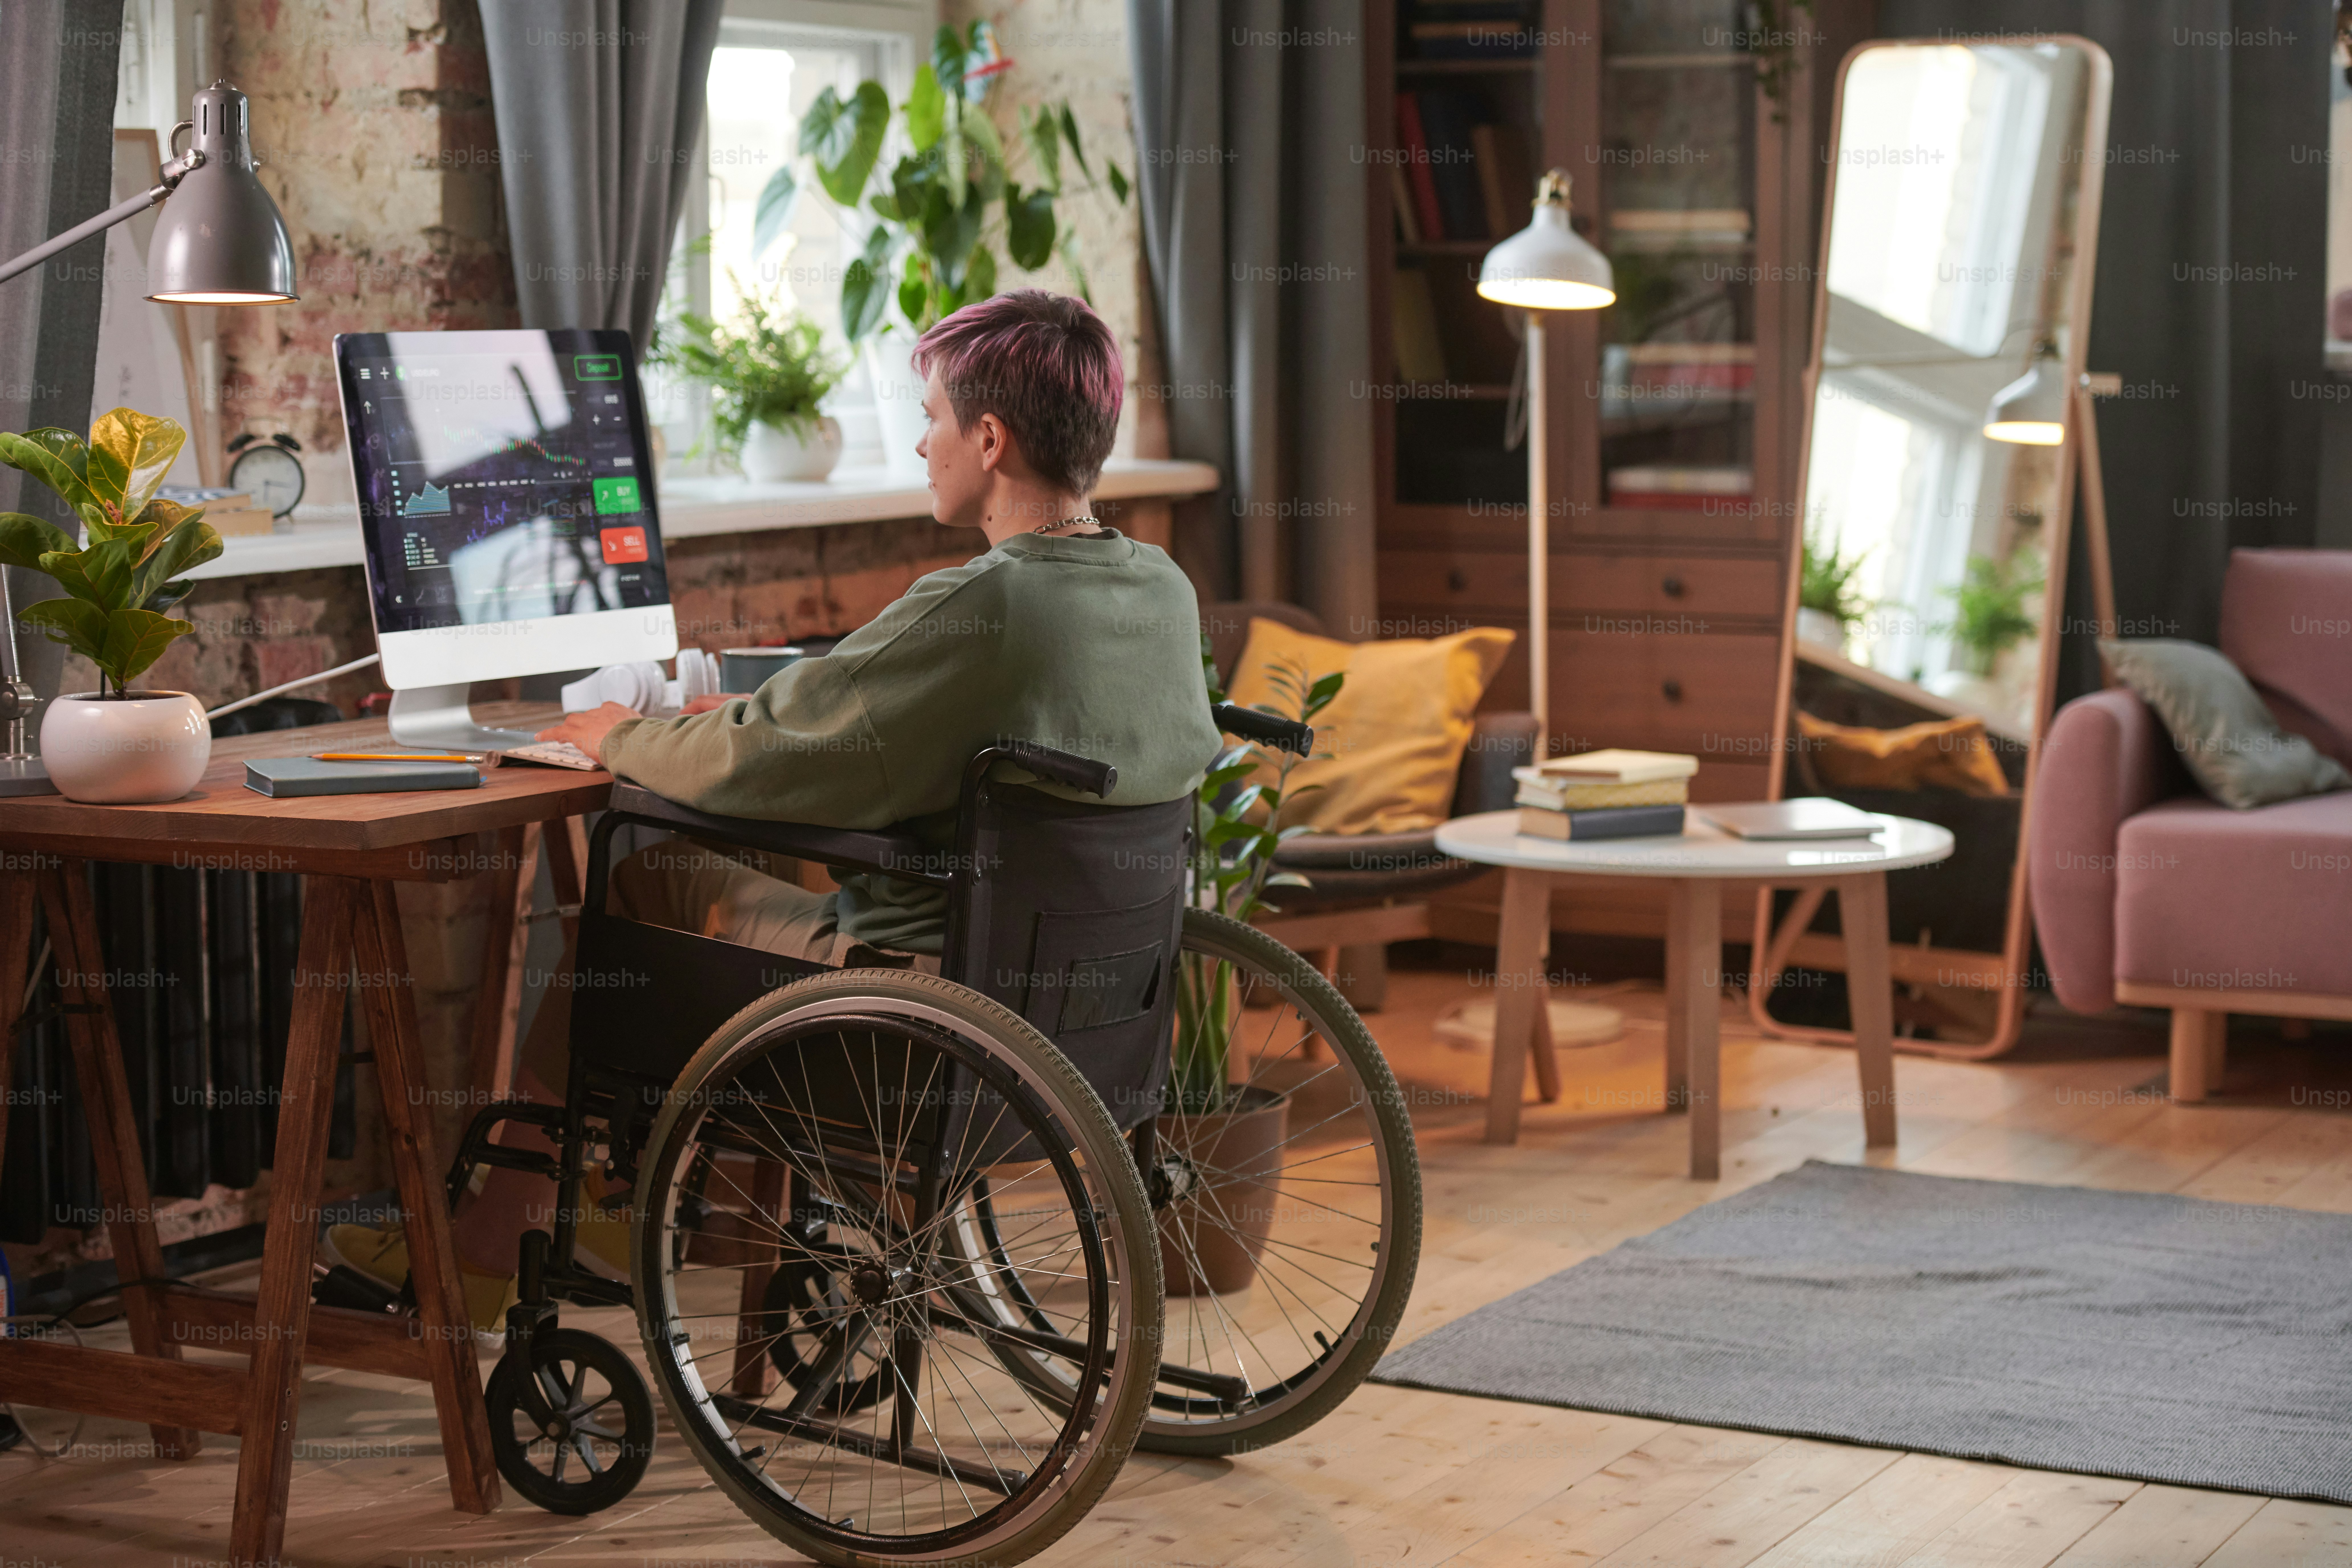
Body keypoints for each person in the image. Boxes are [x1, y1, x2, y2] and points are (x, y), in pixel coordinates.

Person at [325, 289, 1223, 1318]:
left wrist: (619, 736)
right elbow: (853, 725)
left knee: (648, 868)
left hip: (923, 1008)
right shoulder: (1159, 585)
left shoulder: (986, 599)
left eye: (932, 419)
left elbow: (770, 762)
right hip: (1093, 1004)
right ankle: (611, 1206)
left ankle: (507, 1235)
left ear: (989, 437)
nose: (925, 445)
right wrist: (765, 718)